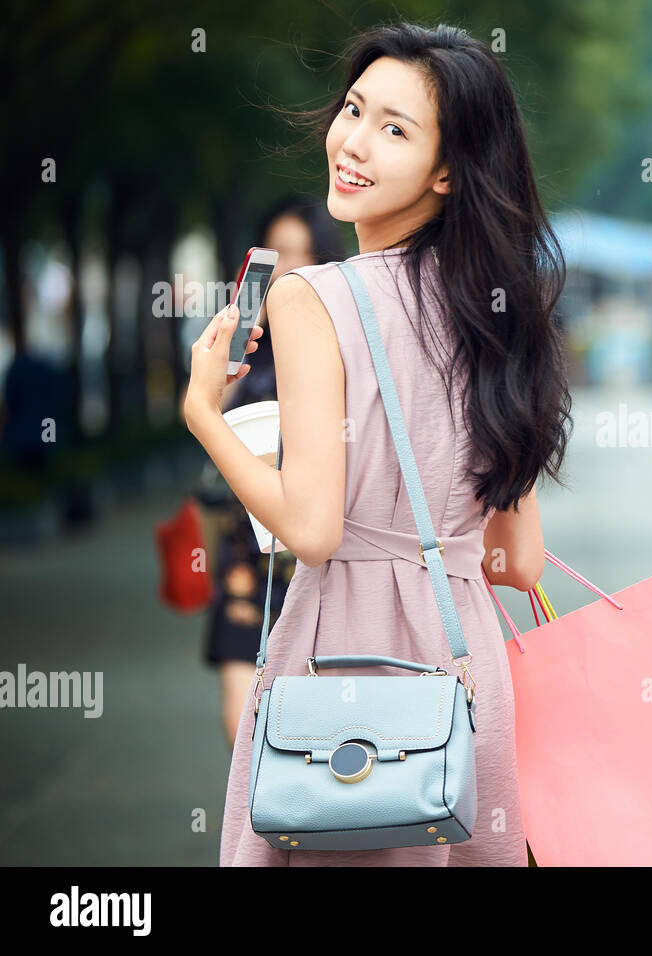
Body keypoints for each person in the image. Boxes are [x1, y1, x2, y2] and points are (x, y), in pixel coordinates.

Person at [182, 22, 571, 866]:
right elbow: (518, 564)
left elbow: (313, 531)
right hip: (467, 675)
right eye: (353, 110)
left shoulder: (312, 297)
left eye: (394, 128)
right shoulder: (501, 314)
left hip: (342, 677)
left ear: (447, 169)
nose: (352, 142)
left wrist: (206, 415)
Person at [196, 196, 347, 750]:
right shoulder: (247, 344)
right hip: (246, 548)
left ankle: (298, 825)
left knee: (309, 722)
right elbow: (208, 413)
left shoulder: (338, 337)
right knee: (243, 727)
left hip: (310, 544)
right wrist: (230, 353)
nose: (287, 268)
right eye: (276, 255)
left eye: (301, 255)